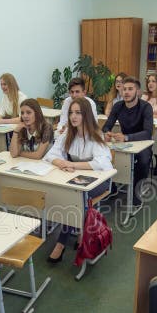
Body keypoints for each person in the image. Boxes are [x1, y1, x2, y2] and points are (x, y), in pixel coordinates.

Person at [43, 97, 113, 263]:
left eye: (78, 113)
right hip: (77, 180)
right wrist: (62, 163)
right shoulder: (68, 133)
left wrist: (73, 165)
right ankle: (80, 231)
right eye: (71, 113)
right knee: (73, 198)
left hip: (100, 182)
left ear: (86, 115)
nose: (73, 116)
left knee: (75, 200)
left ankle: (60, 243)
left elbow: (102, 163)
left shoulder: (96, 135)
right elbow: (50, 155)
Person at [102, 76, 154, 207]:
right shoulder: (118, 106)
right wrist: (107, 133)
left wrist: (127, 137)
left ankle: (137, 191)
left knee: (143, 160)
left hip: (142, 143)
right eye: (124, 89)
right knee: (105, 155)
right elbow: (107, 125)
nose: (126, 92)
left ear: (137, 91)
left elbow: (148, 132)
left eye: (130, 89)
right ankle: (111, 187)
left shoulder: (146, 107)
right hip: (124, 143)